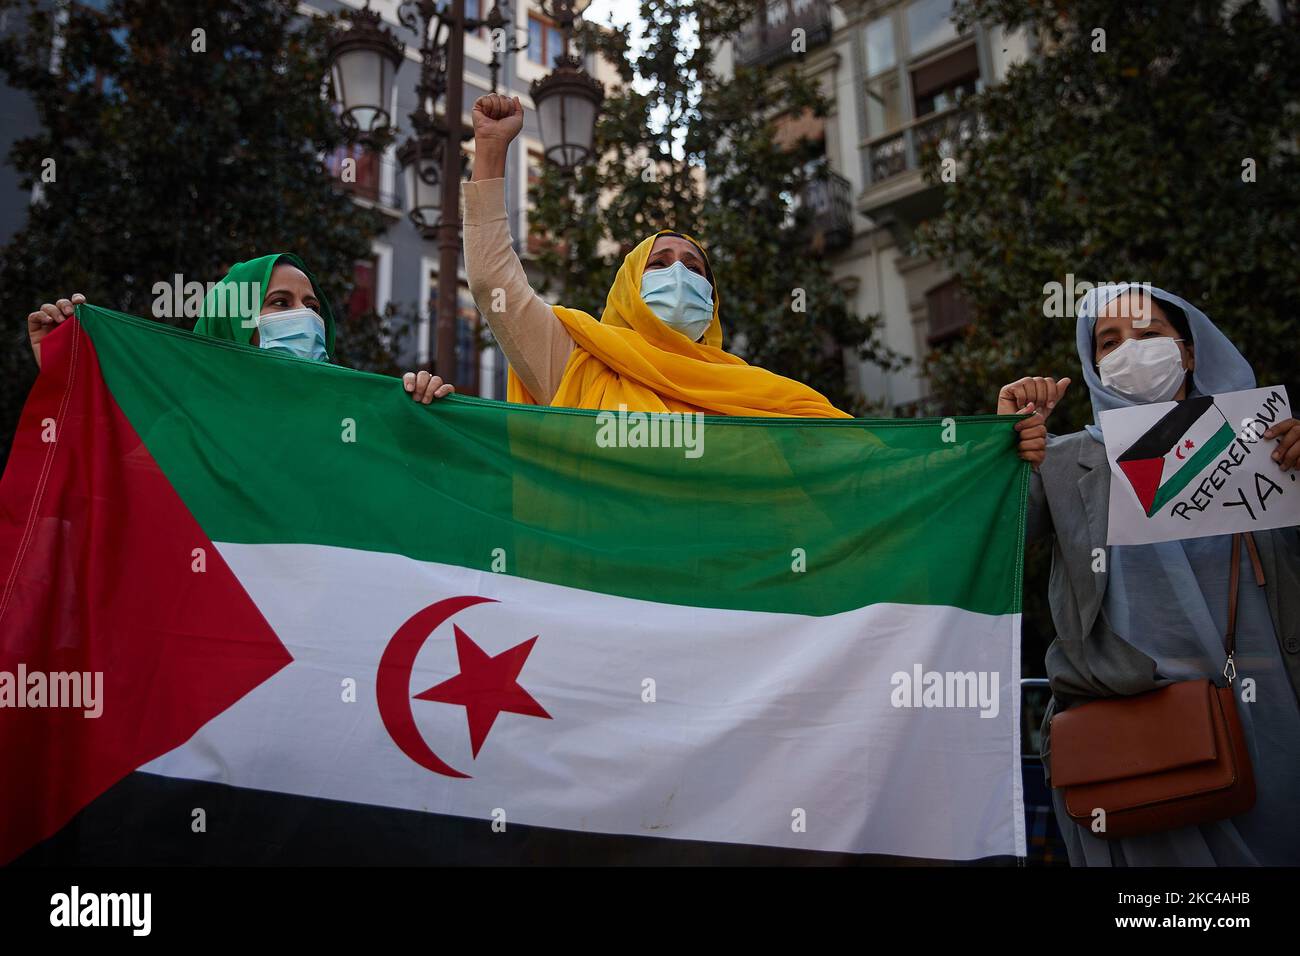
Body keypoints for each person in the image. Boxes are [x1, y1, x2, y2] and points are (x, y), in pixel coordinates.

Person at [1003, 282, 1300, 865]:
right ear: (1092, 366)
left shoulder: (1265, 447)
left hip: (1269, 720)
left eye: (1149, 334)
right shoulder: (1065, 463)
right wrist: (1004, 444)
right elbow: (991, 534)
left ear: (1188, 351)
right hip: (1135, 740)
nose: (1130, 350)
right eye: (1108, 342)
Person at [462, 93, 849, 417]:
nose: (679, 273)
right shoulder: (574, 364)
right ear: (629, 289)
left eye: (694, 267)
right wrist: (492, 149)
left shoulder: (762, 397)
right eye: (659, 263)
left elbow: (850, 466)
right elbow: (492, 281)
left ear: (712, 300)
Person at [26, 252, 454, 403]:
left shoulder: (354, 414)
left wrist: (419, 421)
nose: (304, 317)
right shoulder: (183, 426)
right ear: (231, 321)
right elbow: (102, 483)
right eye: (279, 303)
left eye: (312, 305)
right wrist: (64, 373)